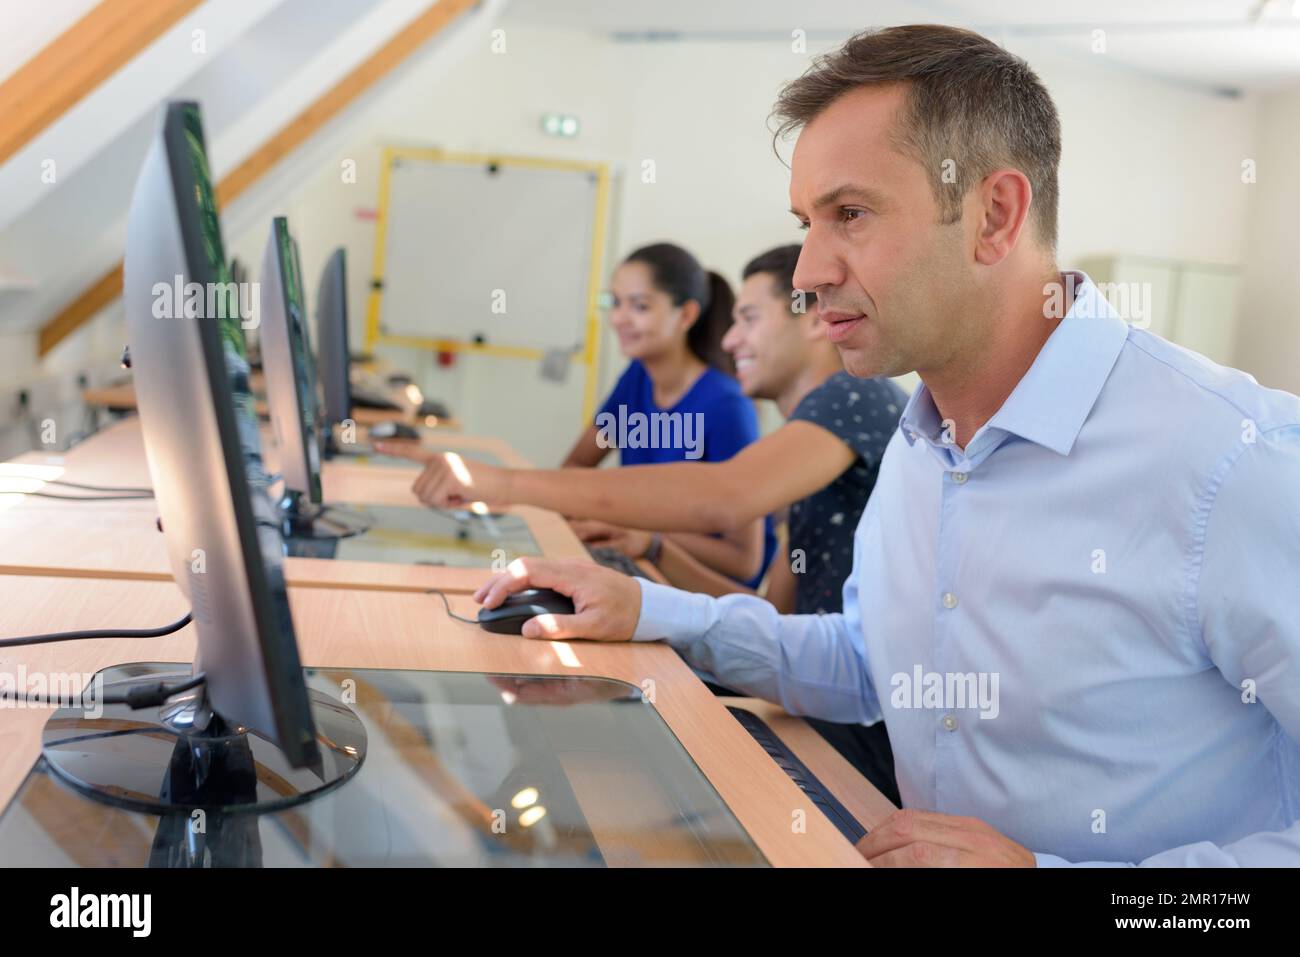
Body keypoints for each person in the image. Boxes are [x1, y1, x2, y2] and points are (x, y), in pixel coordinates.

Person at [461, 25, 1300, 867]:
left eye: (850, 215)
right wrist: (649, 609)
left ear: (994, 215)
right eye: (805, 223)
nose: (807, 272)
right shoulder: (923, 438)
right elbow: (870, 663)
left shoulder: (1233, 460)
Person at [380, 243, 908, 802]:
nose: (729, 340)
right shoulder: (810, 437)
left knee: (574, 747)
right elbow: (775, 617)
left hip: (854, 739)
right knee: (568, 700)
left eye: (749, 320)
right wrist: (650, 558)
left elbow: (724, 498)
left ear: (812, 320)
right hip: (809, 703)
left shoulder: (855, 396)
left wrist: (503, 484)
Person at [564, 242, 774, 589]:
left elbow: (744, 560)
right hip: (636, 573)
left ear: (686, 315)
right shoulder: (636, 378)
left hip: (698, 601)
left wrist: (640, 531)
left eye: (640, 306)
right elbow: (574, 470)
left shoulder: (726, 405)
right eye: (615, 303)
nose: (618, 318)